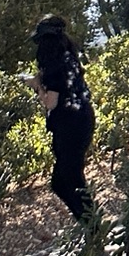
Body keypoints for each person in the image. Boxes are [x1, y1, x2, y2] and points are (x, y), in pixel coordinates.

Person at [31, 14, 95, 225]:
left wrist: (37, 87)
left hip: (69, 126)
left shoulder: (54, 66)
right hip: (83, 119)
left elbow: (50, 102)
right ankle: (92, 228)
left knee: (68, 181)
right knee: (67, 180)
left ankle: (95, 229)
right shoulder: (69, 57)